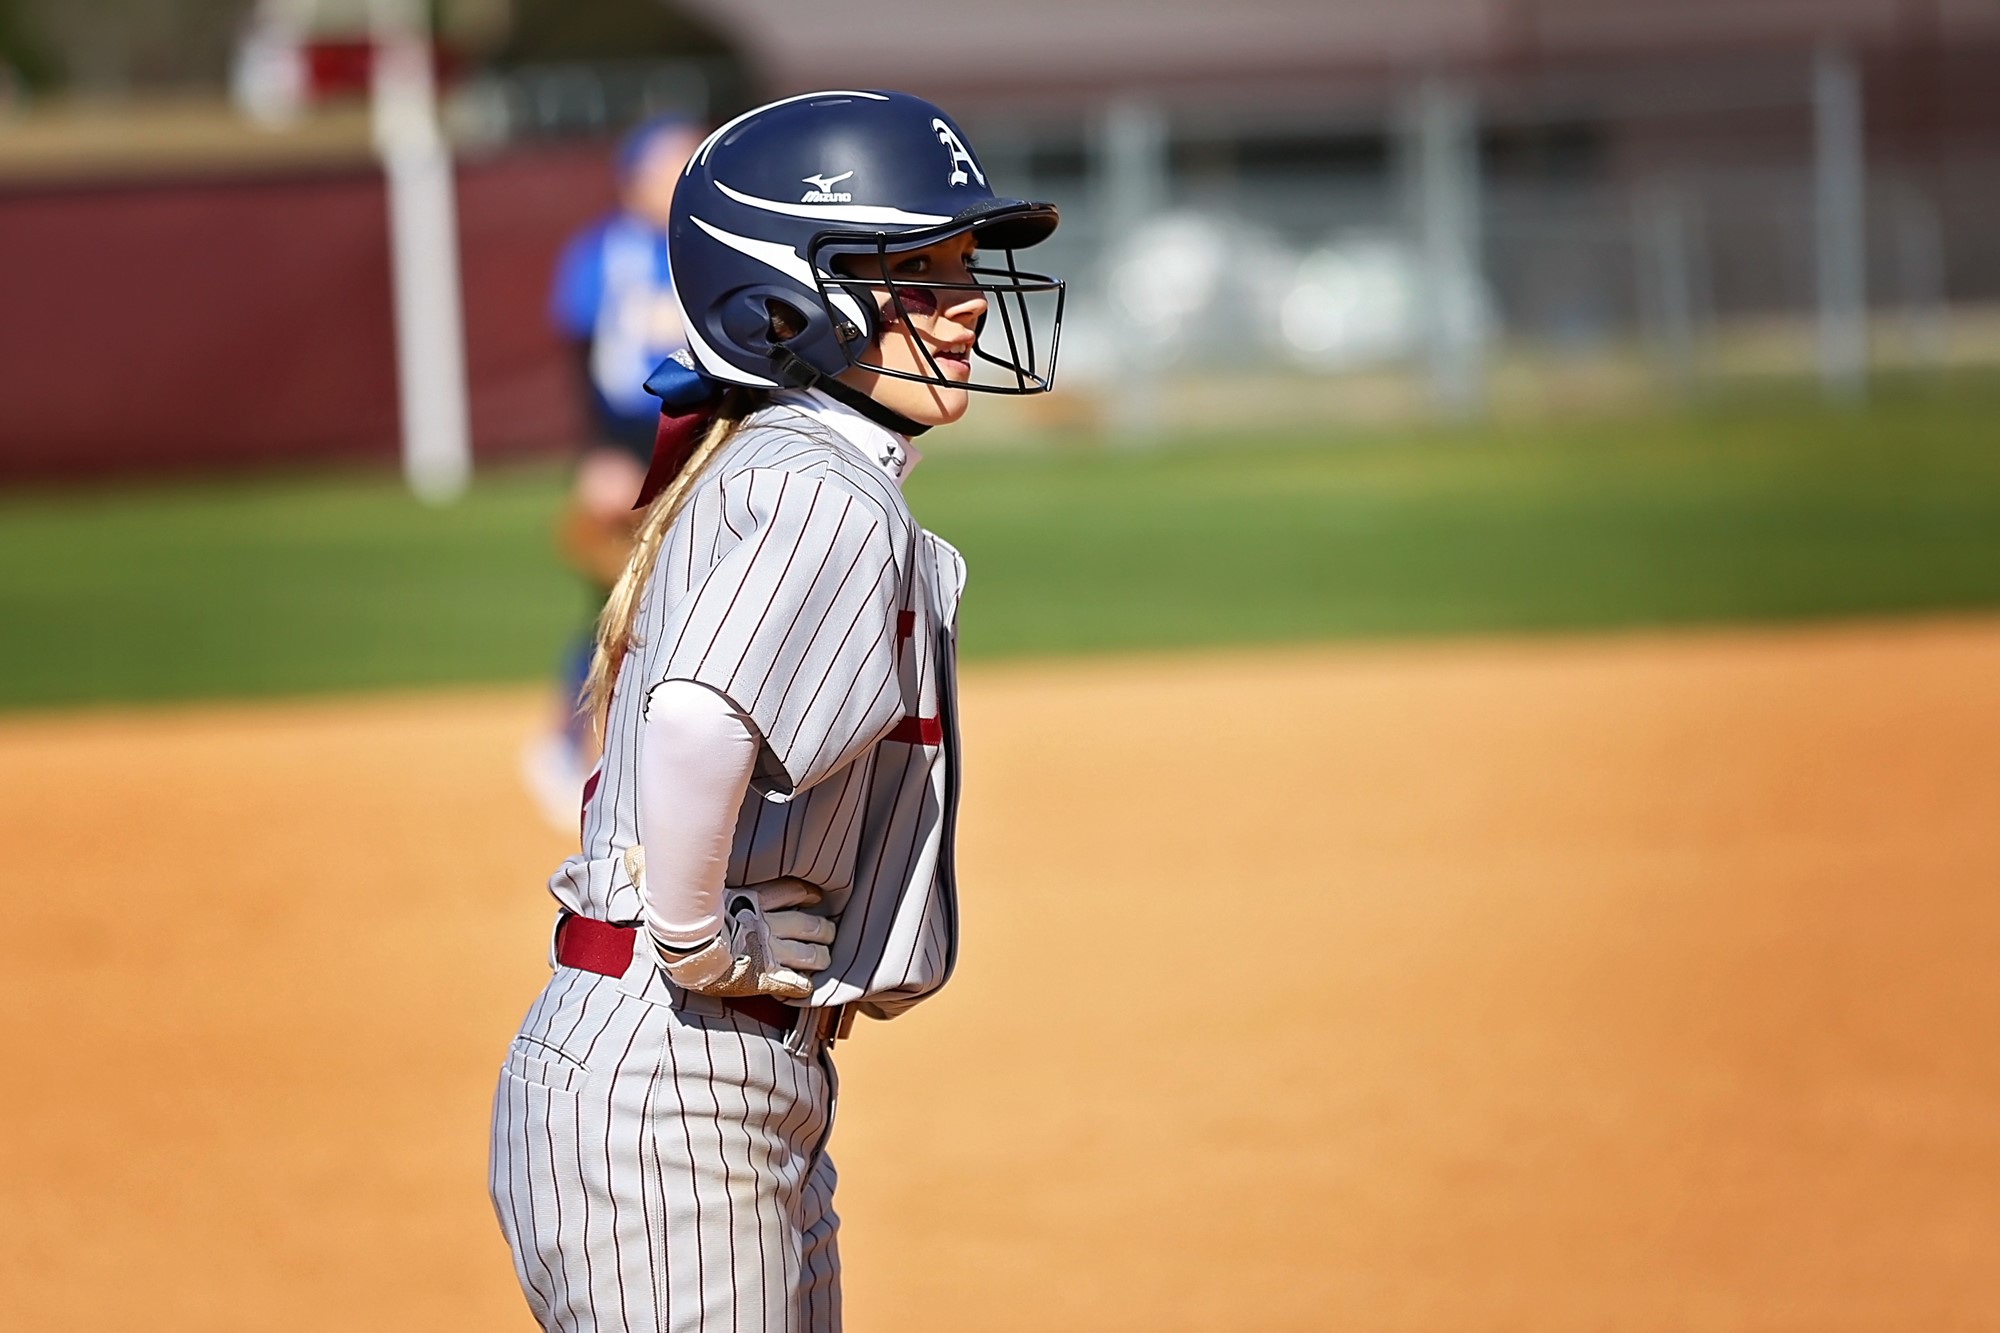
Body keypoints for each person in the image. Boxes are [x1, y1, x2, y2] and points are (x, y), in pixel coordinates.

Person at [487, 89, 1065, 1332]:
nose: (965, 299)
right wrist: (702, 938)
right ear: (783, 296)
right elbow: (695, 722)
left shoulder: (783, 460)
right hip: (677, 1078)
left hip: (710, 1079)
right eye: (915, 267)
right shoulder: (819, 489)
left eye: (963, 264)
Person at [521, 114, 707, 830]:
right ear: (634, 178)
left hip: (700, 440)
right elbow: (582, 358)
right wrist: (595, 454)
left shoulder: (712, 250)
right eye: (671, 165)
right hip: (627, 442)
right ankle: (561, 742)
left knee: (701, 600)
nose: (684, 176)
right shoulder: (602, 251)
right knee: (621, 603)